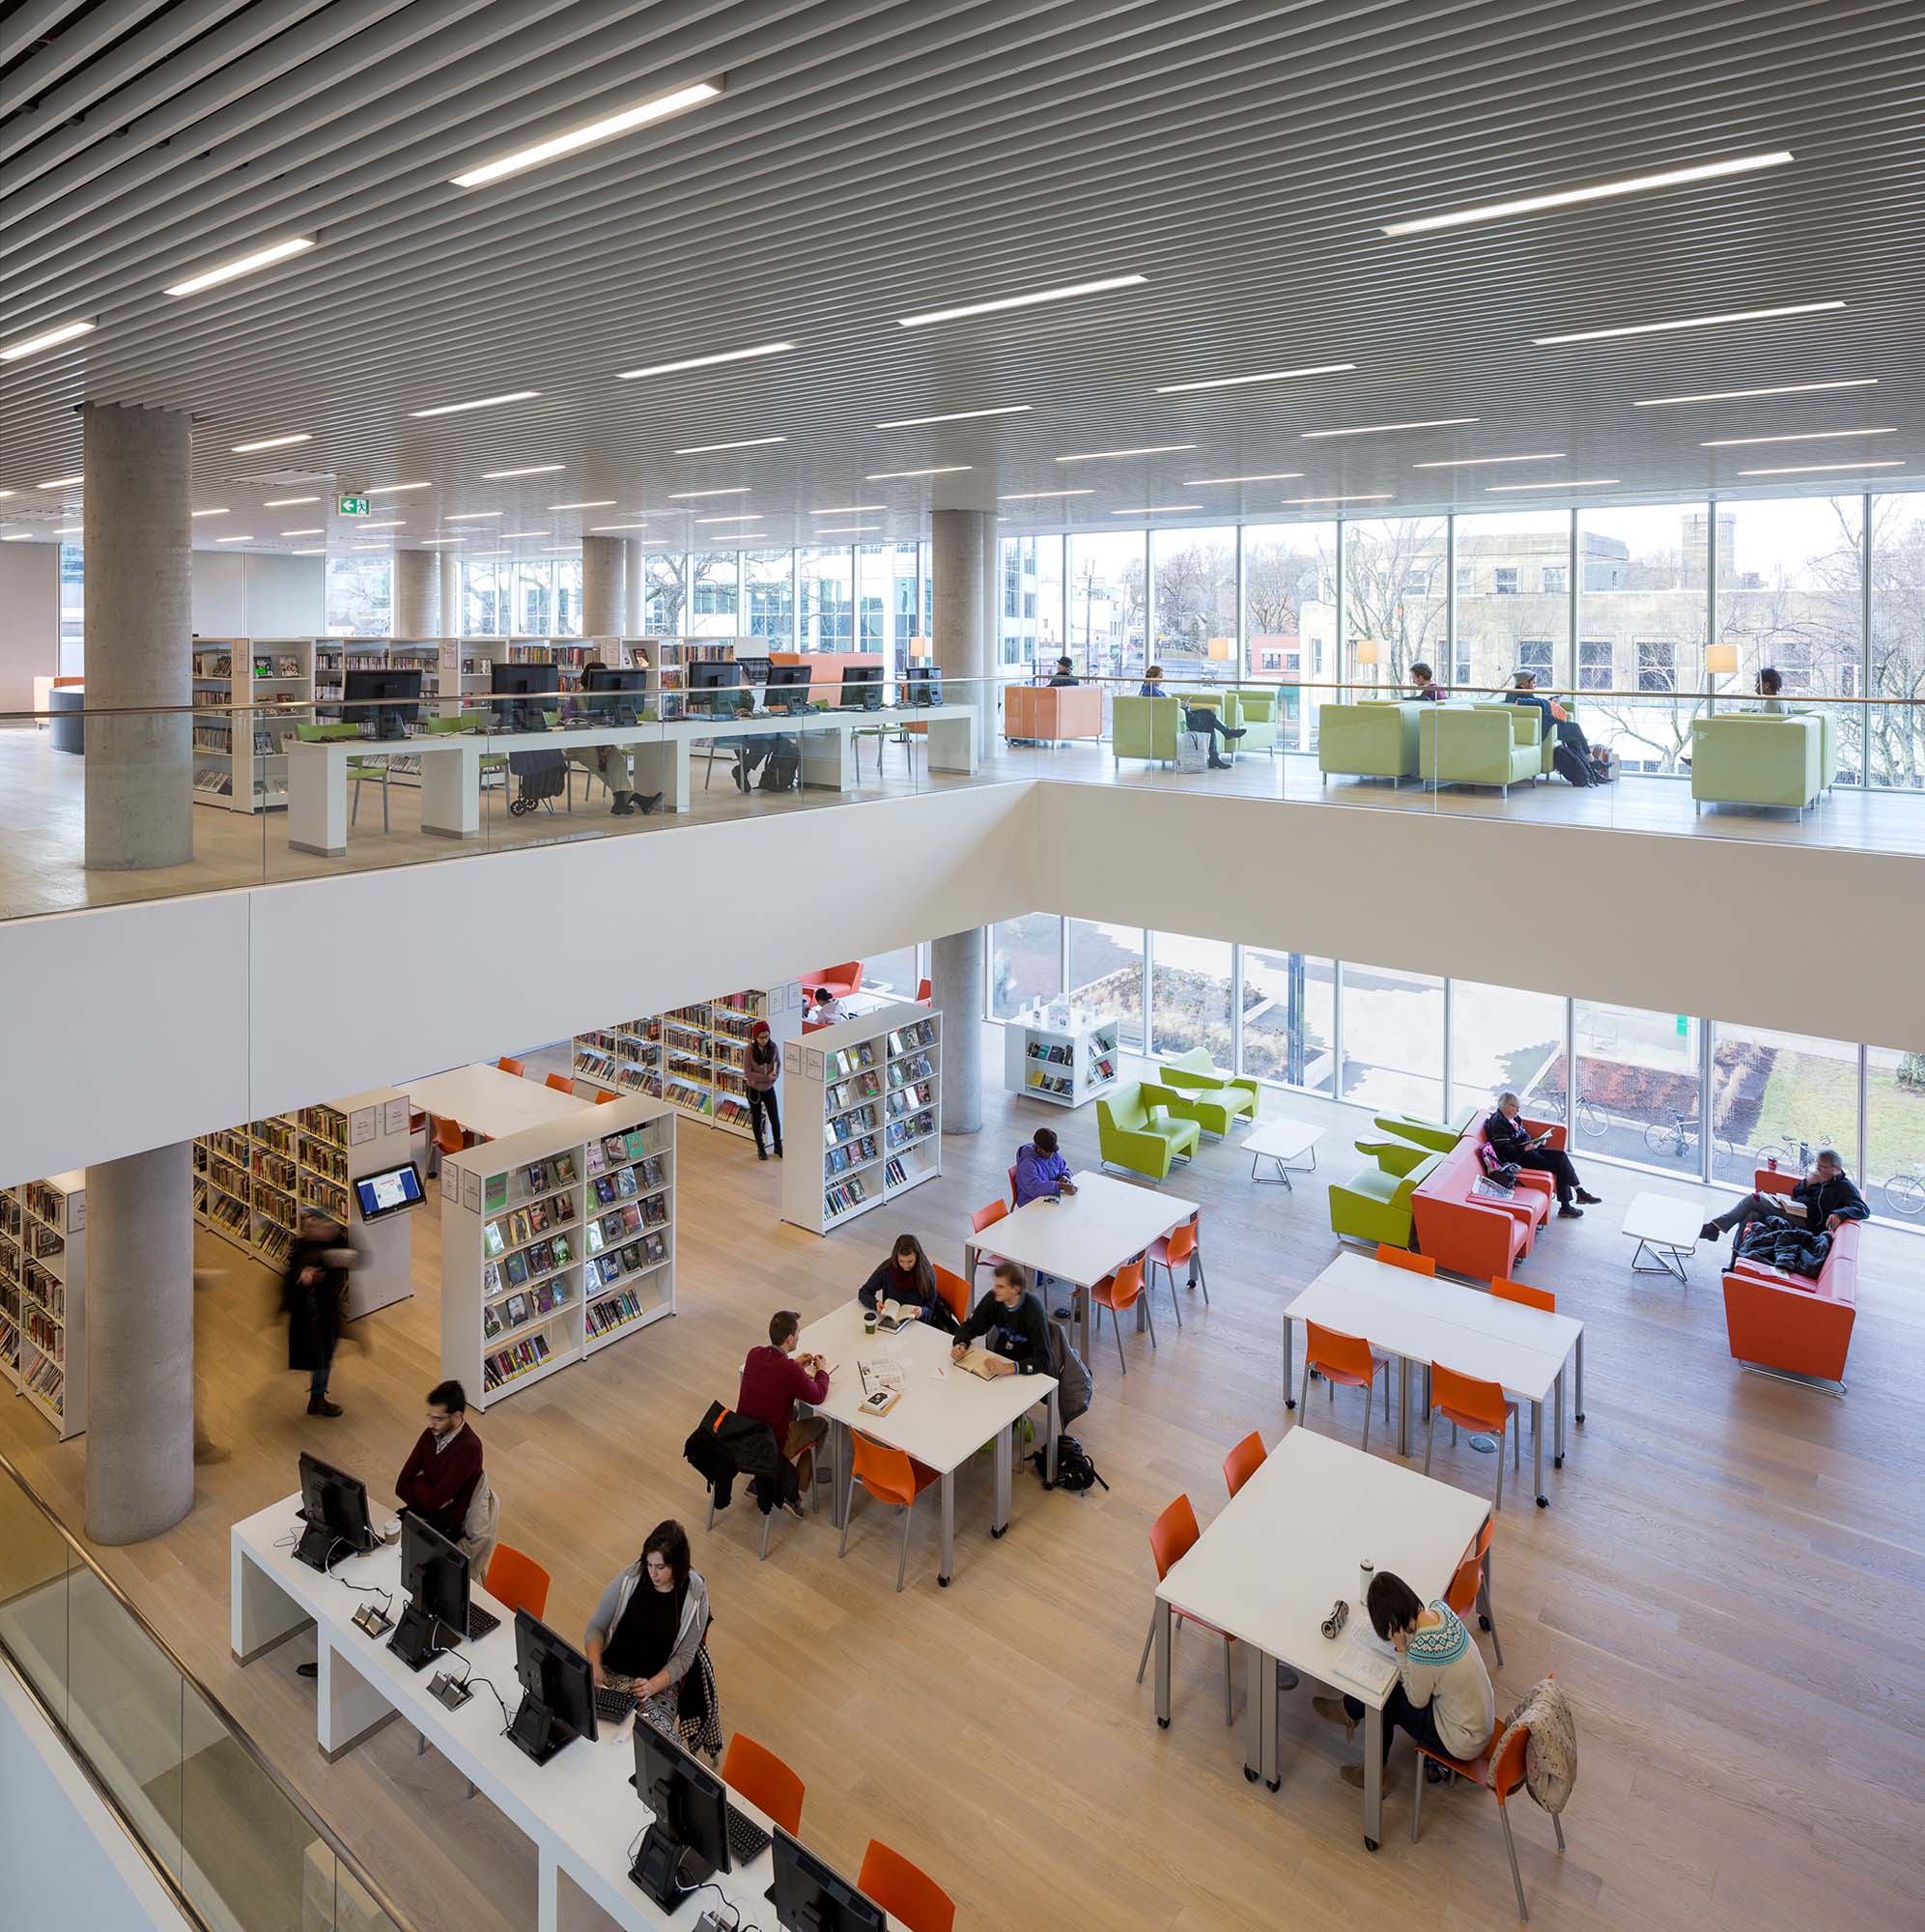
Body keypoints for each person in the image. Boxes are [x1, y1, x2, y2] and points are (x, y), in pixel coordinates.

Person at [1312, 1571, 1494, 1790]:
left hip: (1463, 1742)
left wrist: (1401, 1649)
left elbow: (1417, 1701)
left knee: (1388, 1701)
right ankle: (1349, 1710)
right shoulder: (1440, 1608)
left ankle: (1371, 1773)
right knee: (1395, 1690)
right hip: (1481, 1723)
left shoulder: (1421, 1652)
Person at [584, 1521, 720, 1754]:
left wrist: (652, 1686)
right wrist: (595, 1666)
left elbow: (685, 1658)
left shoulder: (695, 1595)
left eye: (661, 1567)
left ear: (677, 1566)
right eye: (649, 1564)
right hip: (610, 1672)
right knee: (588, 1730)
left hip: (657, 1684)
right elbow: (596, 1627)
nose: (653, 1573)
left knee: (656, 1748)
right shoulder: (630, 1578)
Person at [737, 1309, 829, 1508]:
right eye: (798, 1333)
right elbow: (817, 1396)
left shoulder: (754, 1354)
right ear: (789, 1338)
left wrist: (794, 1364)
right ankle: (792, 1491)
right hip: (770, 1442)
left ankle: (761, 1477)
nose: (798, 1336)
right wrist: (822, 1371)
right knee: (821, 1425)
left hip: (744, 1436)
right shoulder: (790, 1370)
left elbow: (773, 1374)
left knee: (794, 1412)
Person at [1699, 1147, 1868, 1245]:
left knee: (1755, 1198)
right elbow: (1795, 1194)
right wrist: (1807, 1183)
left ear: (1836, 1168)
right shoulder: (1819, 1178)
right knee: (1751, 1214)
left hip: (1809, 1224)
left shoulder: (1844, 1187)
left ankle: (1714, 1228)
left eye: (1823, 1167)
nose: (1819, 1170)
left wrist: (1840, 1213)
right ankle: (1734, 1260)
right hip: (1795, 1211)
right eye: (1818, 1166)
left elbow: (1863, 1209)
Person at [281, 1209, 358, 1417]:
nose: (313, 1229)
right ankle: (317, 1399)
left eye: (318, 1225)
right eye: (310, 1225)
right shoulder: (302, 1246)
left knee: (324, 1354)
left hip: (327, 1309)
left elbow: (358, 1258)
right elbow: (291, 1277)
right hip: (312, 1314)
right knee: (321, 1356)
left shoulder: (338, 1240)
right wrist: (304, 1276)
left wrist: (342, 1260)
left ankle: (317, 1395)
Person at [564, 655, 662, 816]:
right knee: (603, 766)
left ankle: (624, 802)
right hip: (580, 743)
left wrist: (607, 744)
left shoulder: (610, 698)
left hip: (602, 741)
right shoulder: (578, 697)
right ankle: (636, 800)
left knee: (617, 760)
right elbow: (566, 720)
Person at [393, 1380, 484, 1545]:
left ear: (457, 1416)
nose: (431, 1424)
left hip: (443, 1528)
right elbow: (401, 1486)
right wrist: (429, 1501)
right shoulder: (431, 1433)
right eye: (430, 1417)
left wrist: (418, 1480)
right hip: (418, 1515)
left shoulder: (470, 1449)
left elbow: (432, 1500)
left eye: (438, 1419)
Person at [1485, 1091, 1599, 1219]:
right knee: (1560, 1166)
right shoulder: (1499, 1122)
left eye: (1518, 1107)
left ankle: (1576, 1196)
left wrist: (1537, 1142)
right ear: (1503, 1104)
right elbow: (1504, 1151)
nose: (1517, 1110)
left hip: (1530, 1150)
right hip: (1519, 1158)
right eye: (1514, 1107)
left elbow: (1523, 1136)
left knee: (1561, 1156)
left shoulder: (1514, 1118)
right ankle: (1572, 1200)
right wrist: (1525, 1148)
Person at [951, 1261, 1051, 1377]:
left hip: (1027, 1370)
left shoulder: (1034, 1311)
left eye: (1001, 1287)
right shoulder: (994, 1298)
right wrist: (961, 1344)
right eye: (995, 1285)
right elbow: (970, 1327)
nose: (995, 1290)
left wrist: (1009, 1368)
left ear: (1016, 1289)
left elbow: (1044, 1360)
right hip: (1000, 1360)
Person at [1139, 663, 1246, 770]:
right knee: (1208, 715)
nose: (1162, 680)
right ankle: (1226, 735)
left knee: (1208, 720)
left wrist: (1181, 705)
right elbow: (1165, 706)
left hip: (1179, 716)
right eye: (1160, 677)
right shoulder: (1150, 691)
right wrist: (1179, 705)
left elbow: (1166, 704)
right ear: (1152, 677)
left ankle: (1216, 755)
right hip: (1177, 720)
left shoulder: (1149, 689)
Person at [1508, 670, 1601, 783]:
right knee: (1575, 729)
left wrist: (1550, 703)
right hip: (1541, 729)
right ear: (1523, 684)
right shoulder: (1521, 695)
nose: (1535, 685)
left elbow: (1536, 704)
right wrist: (1552, 704)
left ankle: (1587, 771)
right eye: (1533, 683)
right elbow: (1531, 704)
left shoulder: (1516, 693)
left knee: (1573, 738)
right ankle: (1590, 763)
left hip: (1543, 725)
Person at [858, 1233, 956, 1332]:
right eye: (901, 1261)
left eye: (910, 1261)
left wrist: (922, 1311)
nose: (905, 1266)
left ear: (917, 1257)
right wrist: (875, 1304)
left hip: (916, 1326)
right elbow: (864, 1292)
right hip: (891, 1321)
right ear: (896, 1257)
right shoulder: (887, 1269)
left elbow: (931, 1309)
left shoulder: (927, 1274)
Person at [742, 1018, 783, 1161]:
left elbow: (777, 1065)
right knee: (757, 1118)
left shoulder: (774, 1048)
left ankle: (778, 1145)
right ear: (755, 1037)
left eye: (767, 1036)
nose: (764, 1040)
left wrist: (774, 1077)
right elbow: (748, 1073)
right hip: (754, 1089)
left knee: (774, 1117)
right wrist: (767, 1077)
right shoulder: (749, 1050)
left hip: (769, 1089)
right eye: (761, 1037)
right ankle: (760, 1147)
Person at [1013, 1126, 1077, 1207]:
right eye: (1047, 1151)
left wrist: (1065, 1176)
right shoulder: (1027, 1164)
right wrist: (1059, 1186)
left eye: (1052, 1151)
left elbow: (1064, 1168)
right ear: (1039, 1148)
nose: (1050, 1155)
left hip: (1052, 1196)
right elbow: (1034, 1188)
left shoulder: (1053, 1154)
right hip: (1031, 1201)